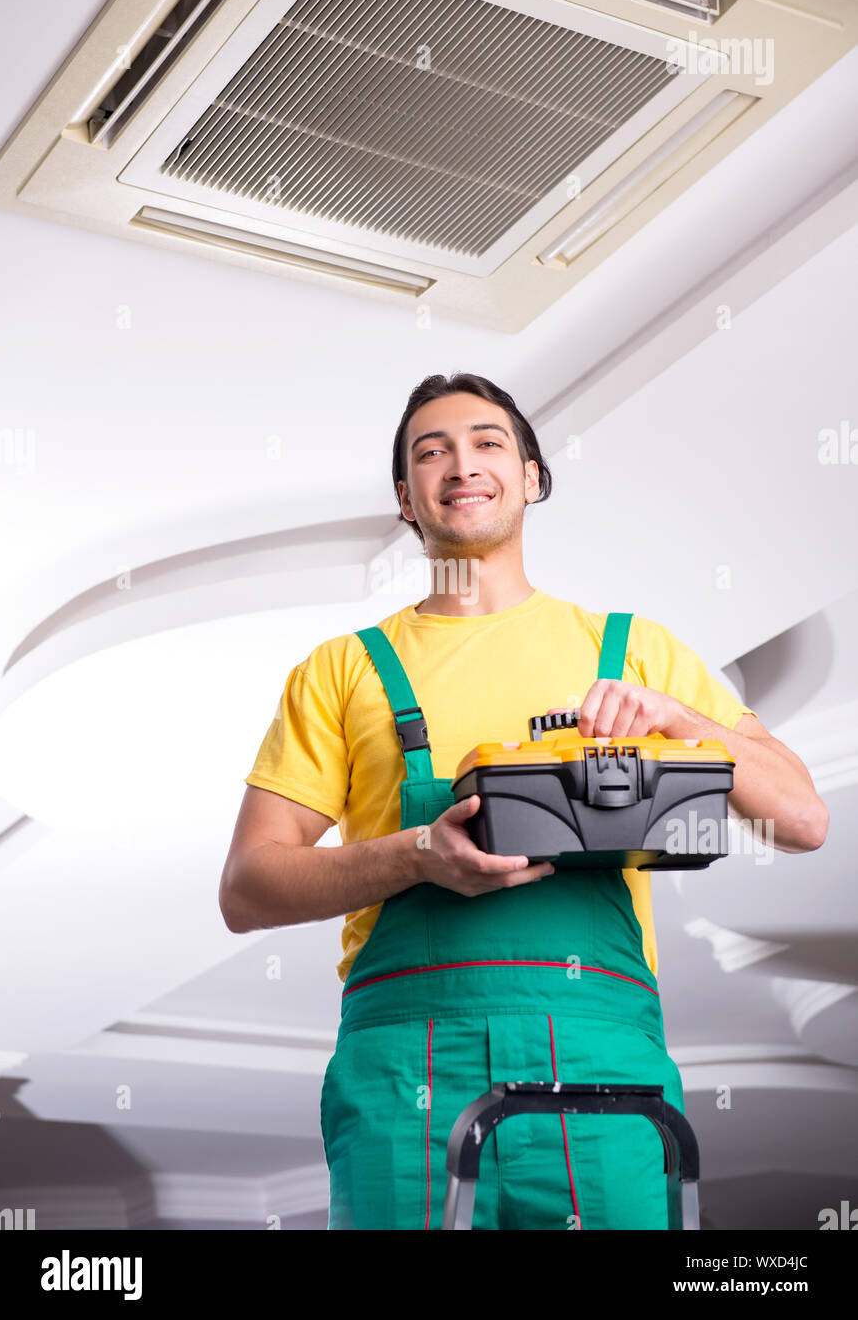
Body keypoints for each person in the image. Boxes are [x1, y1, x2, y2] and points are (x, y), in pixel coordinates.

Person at [219, 371, 829, 1231]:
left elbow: (802, 819)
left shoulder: (632, 651)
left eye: (486, 443)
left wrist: (682, 719)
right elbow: (246, 888)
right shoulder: (343, 669)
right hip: (405, 1064)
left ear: (532, 476)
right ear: (406, 497)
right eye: (431, 452)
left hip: (602, 1047)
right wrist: (415, 856)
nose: (459, 464)